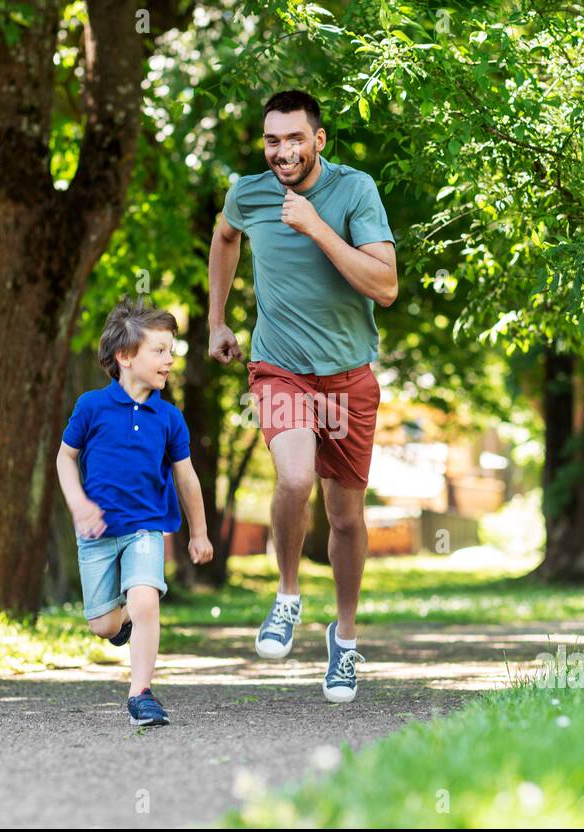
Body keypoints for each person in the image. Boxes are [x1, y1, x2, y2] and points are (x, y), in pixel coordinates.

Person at [207, 89, 399, 703]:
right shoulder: (249, 192)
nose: (282, 151)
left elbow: (386, 286)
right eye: (272, 140)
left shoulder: (354, 191)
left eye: (295, 139)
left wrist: (317, 226)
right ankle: (287, 595)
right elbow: (224, 237)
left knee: (344, 519)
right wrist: (217, 320)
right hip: (278, 366)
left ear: (318, 140)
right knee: (293, 479)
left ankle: (343, 641)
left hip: (347, 376)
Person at [55, 299, 214, 726]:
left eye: (171, 350)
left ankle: (140, 694)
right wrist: (79, 504)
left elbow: (187, 478)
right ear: (125, 357)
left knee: (145, 600)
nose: (170, 359)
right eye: (159, 350)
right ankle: (121, 623)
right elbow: (64, 458)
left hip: (146, 528)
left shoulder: (170, 418)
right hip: (97, 534)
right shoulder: (91, 407)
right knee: (103, 625)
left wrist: (198, 533)